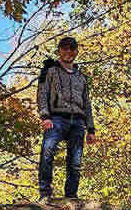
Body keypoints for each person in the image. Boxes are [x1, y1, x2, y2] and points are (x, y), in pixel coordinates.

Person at [36, 36, 96, 201]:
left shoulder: (81, 77)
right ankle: (45, 193)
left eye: (72, 49)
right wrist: (45, 116)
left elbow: (87, 104)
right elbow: (42, 94)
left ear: (76, 52)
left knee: (75, 161)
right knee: (47, 152)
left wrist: (91, 129)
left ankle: (71, 196)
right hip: (56, 118)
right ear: (59, 51)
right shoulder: (50, 71)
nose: (68, 52)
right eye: (65, 48)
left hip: (78, 122)